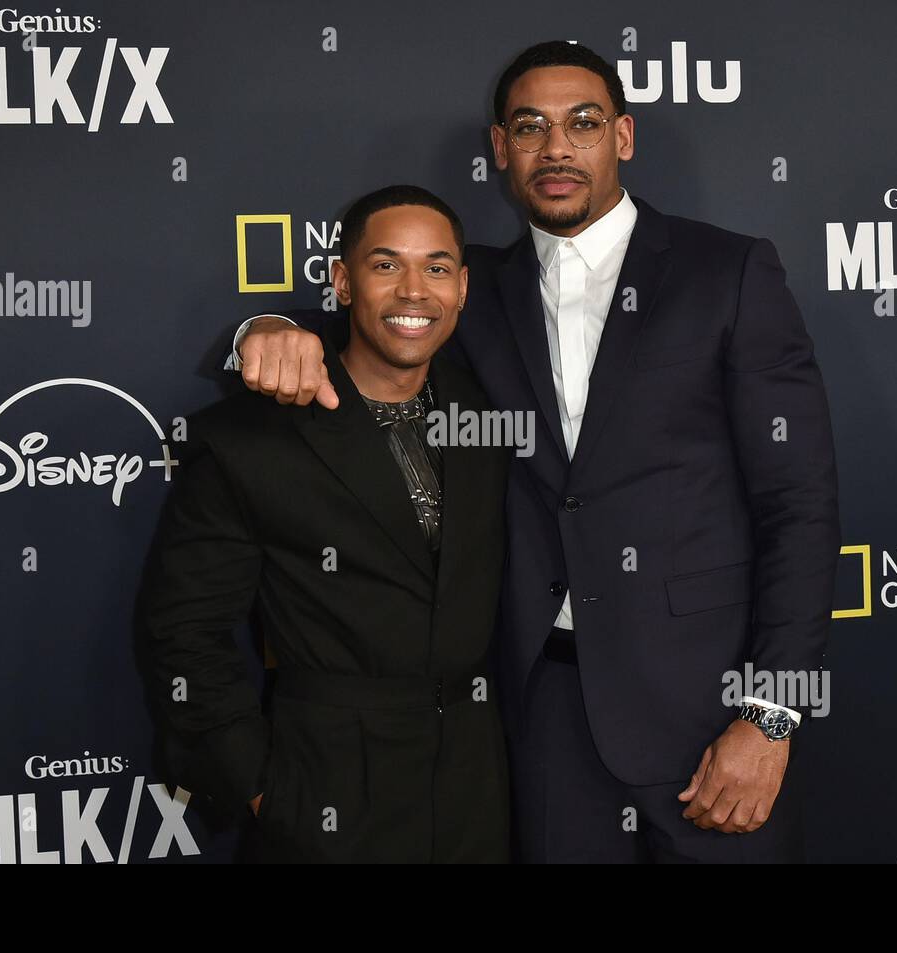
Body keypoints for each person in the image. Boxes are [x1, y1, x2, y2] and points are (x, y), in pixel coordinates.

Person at [229, 41, 841, 863]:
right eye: (530, 128)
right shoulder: (469, 290)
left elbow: (799, 502)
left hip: (710, 711)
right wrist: (261, 330)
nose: (556, 148)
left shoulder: (726, 271)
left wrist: (769, 716)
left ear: (623, 136)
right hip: (541, 713)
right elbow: (371, 339)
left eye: (582, 124)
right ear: (499, 150)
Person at [140, 185, 511, 862]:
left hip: (476, 790)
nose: (412, 291)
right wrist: (261, 788)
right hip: (324, 790)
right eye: (384, 264)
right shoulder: (250, 439)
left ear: (460, 287)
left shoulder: (491, 410)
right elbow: (183, 633)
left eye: (435, 267)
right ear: (342, 281)